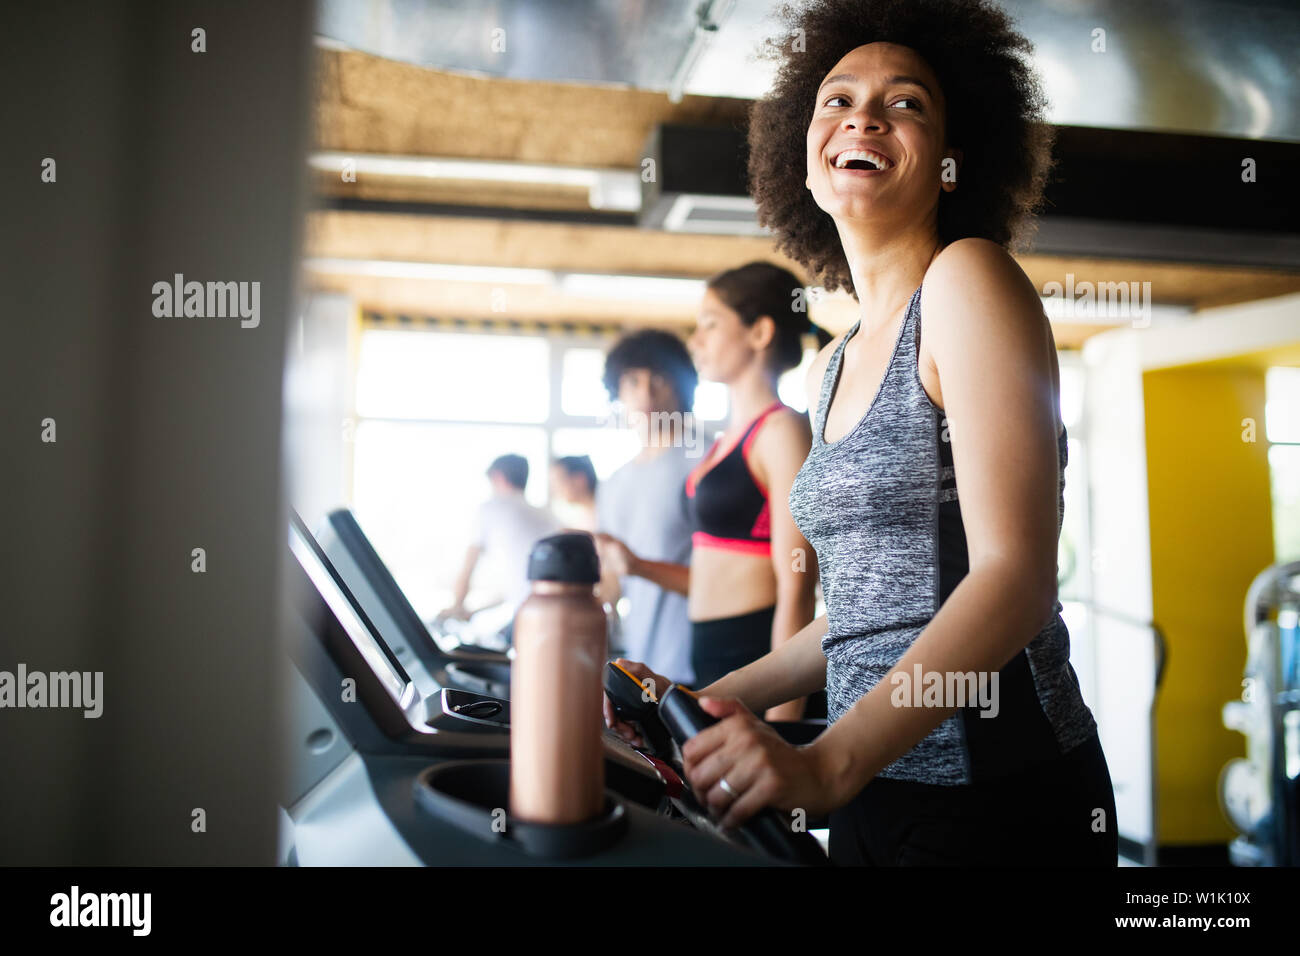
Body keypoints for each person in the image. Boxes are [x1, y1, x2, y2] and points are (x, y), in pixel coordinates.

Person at [606, 0, 1116, 866]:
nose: (865, 115)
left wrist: (827, 762)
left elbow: (1015, 578)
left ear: (953, 162)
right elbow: (865, 618)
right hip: (877, 789)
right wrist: (702, 700)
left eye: (907, 102)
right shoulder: (832, 366)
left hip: (995, 801)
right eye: (836, 100)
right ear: (803, 159)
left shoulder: (969, 281)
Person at [598, 262, 826, 721]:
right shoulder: (724, 443)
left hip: (756, 654)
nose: (695, 340)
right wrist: (633, 567)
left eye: (710, 324)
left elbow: (796, 587)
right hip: (712, 654)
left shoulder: (781, 431)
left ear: (759, 333)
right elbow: (711, 569)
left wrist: (784, 726)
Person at [592, 331, 700, 686]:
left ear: (682, 386)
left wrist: (637, 567)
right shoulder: (614, 482)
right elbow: (614, 583)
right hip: (641, 671)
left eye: (660, 378)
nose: (646, 392)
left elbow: (736, 583)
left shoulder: (707, 464)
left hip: (704, 673)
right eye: (633, 380)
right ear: (618, 392)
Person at [440, 454, 558, 642]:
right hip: (556, 611)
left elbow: (469, 566)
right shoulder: (546, 515)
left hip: (531, 614)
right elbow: (520, 585)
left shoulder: (490, 509)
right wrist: (473, 611)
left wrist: (456, 606)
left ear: (498, 477)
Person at [550, 455, 598, 532]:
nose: (555, 490)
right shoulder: (581, 519)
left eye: (559, 482)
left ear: (579, 479)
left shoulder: (607, 511)